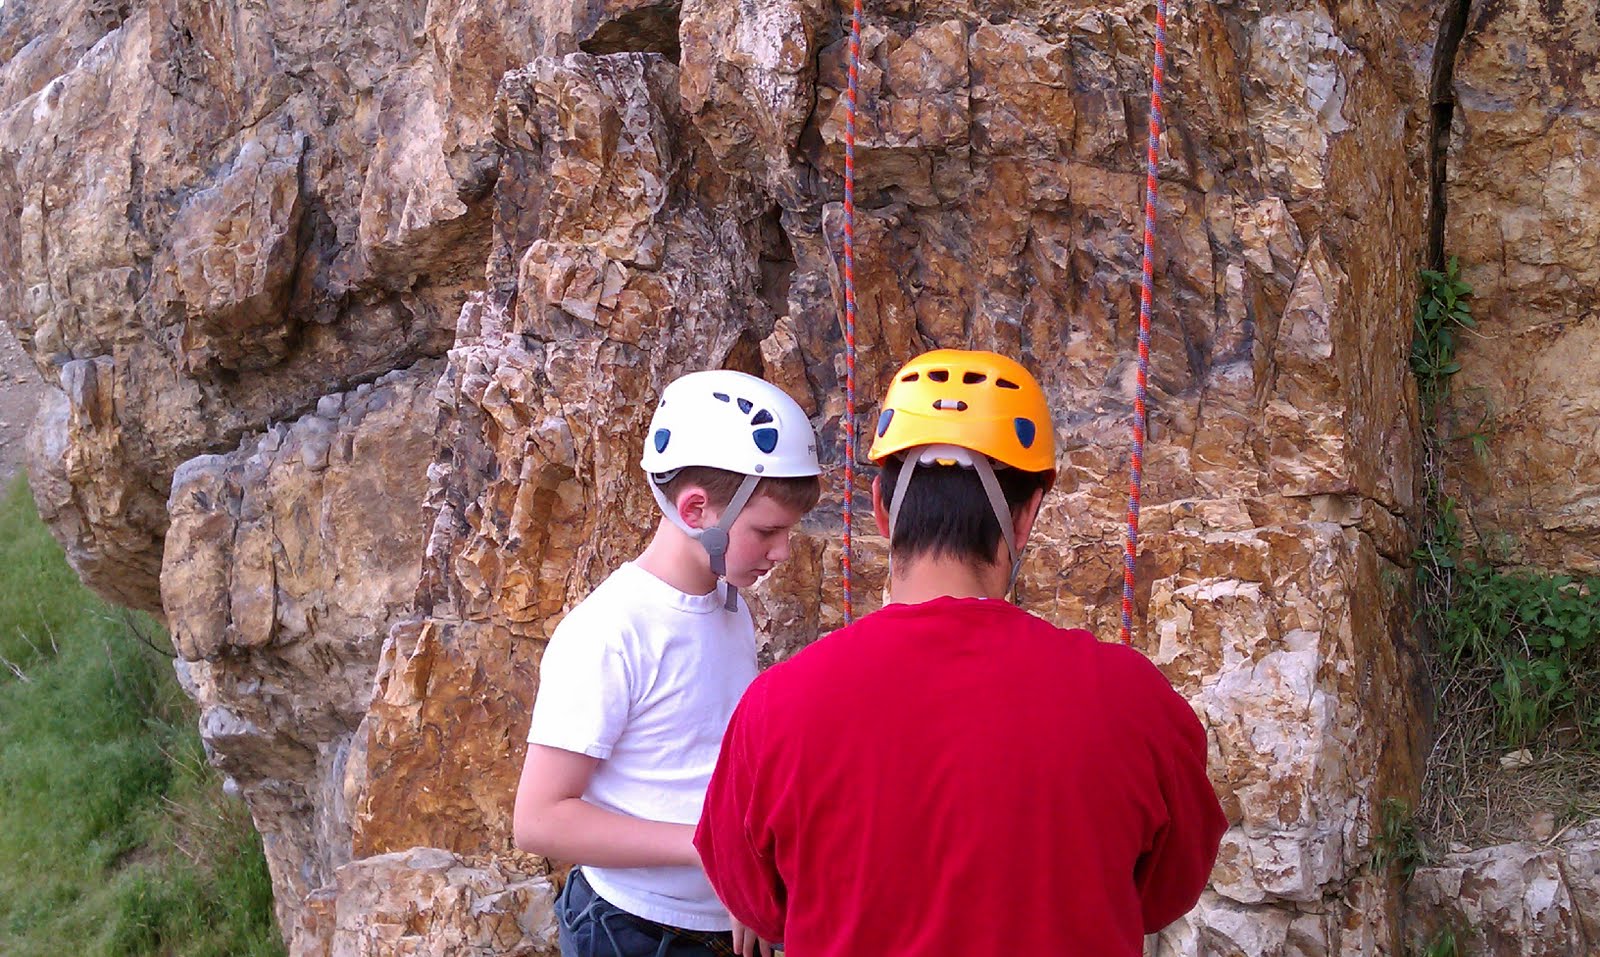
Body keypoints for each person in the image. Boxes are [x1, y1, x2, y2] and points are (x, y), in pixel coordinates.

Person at [695, 349, 1227, 955]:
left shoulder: (778, 707)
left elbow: (758, 903)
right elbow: (1166, 889)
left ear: (881, 510)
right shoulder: (1132, 700)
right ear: (1026, 518)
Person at [515, 369, 822, 957]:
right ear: (697, 508)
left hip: (724, 918)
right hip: (633, 930)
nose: (782, 551)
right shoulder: (610, 632)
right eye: (767, 531)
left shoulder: (728, 607)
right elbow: (540, 819)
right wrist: (716, 848)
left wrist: (746, 878)